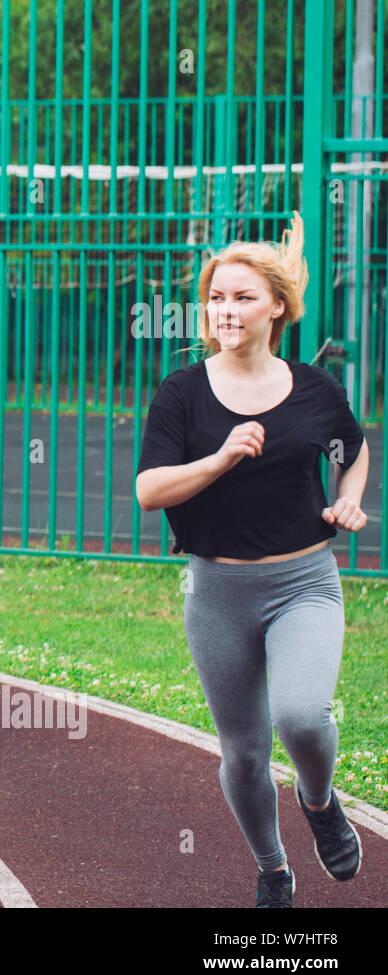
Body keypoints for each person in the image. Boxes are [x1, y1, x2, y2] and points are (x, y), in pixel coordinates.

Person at [135, 212, 369, 908]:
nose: (225, 309)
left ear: (276, 307)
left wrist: (349, 500)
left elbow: (351, 455)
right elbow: (149, 491)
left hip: (304, 582)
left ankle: (320, 801)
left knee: (301, 716)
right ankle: (273, 869)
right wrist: (219, 456)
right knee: (242, 751)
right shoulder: (182, 391)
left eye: (241, 296)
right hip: (218, 591)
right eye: (216, 297)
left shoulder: (315, 389)